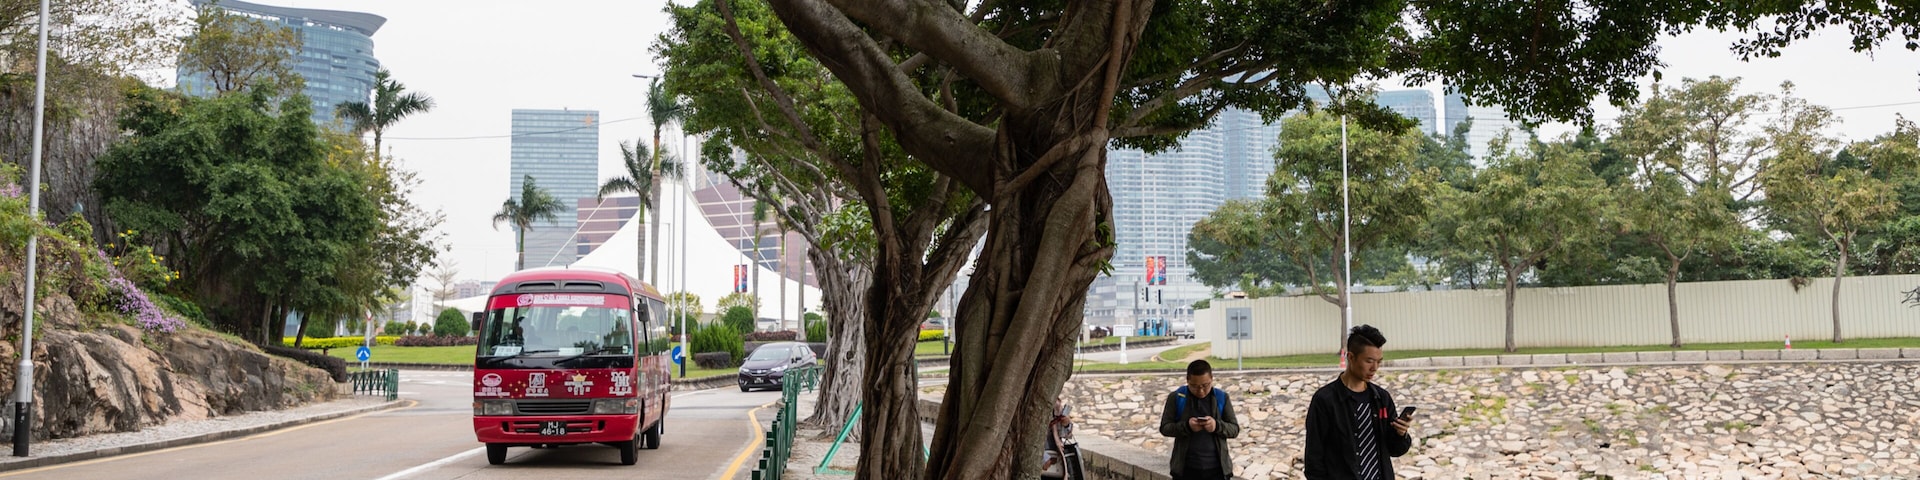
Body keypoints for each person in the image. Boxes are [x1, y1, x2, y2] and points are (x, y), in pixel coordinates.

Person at [1304, 325, 1414, 480]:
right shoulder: (1325, 400)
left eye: (1379, 362)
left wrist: (1400, 434)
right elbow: (1313, 457)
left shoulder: (1381, 398)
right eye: (1369, 361)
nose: (1374, 368)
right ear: (1351, 357)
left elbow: (1394, 450)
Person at [1158, 359, 1239, 480]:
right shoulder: (1177, 397)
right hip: (1185, 470)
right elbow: (1165, 428)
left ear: (1212, 379)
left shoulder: (1221, 397)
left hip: (1217, 470)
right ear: (1187, 380)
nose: (1200, 391)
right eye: (1194, 386)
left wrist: (1216, 426)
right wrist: (1187, 426)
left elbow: (1234, 429)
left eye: (1205, 385)